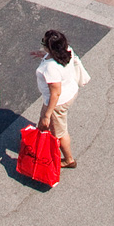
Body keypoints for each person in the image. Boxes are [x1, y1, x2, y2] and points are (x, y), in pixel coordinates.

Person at [33, 29, 86, 168]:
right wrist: (44, 55)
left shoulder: (51, 68)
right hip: (71, 91)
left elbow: (55, 93)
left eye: (43, 43)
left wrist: (48, 114)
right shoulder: (66, 50)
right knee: (47, 122)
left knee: (60, 132)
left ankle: (69, 159)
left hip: (58, 103)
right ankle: (38, 137)